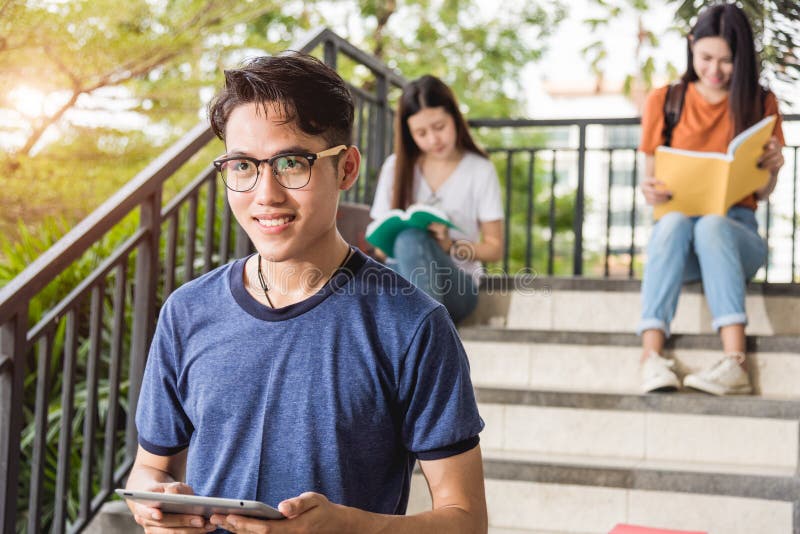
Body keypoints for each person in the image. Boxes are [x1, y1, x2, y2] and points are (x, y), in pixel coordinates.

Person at [125, 53, 488, 534]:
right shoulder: (187, 311)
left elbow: (466, 521)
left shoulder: (412, 324)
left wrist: (351, 528)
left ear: (347, 169)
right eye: (242, 166)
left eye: (291, 163)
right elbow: (151, 468)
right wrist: (153, 504)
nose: (266, 193)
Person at [637, 3, 785, 395]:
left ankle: (735, 364)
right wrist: (650, 189)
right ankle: (650, 357)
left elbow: (764, 194)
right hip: (679, 245)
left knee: (713, 224)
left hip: (738, 240)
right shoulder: (664, 101)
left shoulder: (761, 104)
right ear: (691, 46)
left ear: (742, 59)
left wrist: (772, 168)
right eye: (706, 57)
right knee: (672, 222)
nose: (715, 70)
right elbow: (647, 181)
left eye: (727, 61)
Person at [370, 75, 504, 324]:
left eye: (439, 127)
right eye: (421, 133)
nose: (433, 140)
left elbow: (495, 248)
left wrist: (449, 246)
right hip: (400, 272)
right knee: (392, 258)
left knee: (410, 243)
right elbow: (379, 249)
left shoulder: (479, 169)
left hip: (456, 284)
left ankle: (426, 337)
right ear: (409, 134)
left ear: (454, 117)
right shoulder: (394, 168)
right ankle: (427, 336)